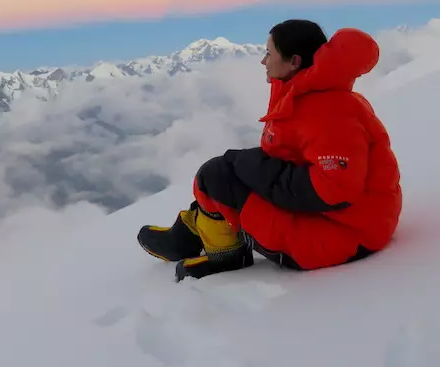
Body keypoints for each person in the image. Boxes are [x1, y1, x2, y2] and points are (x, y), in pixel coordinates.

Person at [137, 19, 402, 281]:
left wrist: (252, 166)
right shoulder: (305, 95)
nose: (264, 61)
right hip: (348, 223)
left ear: (294, 62)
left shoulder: (327, 111)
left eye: (269, 53)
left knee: (220, 173)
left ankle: (225, 255)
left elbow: (334, 191)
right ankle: (188, 234)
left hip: (345, 237)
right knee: (227, 169)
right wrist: (251, 166)